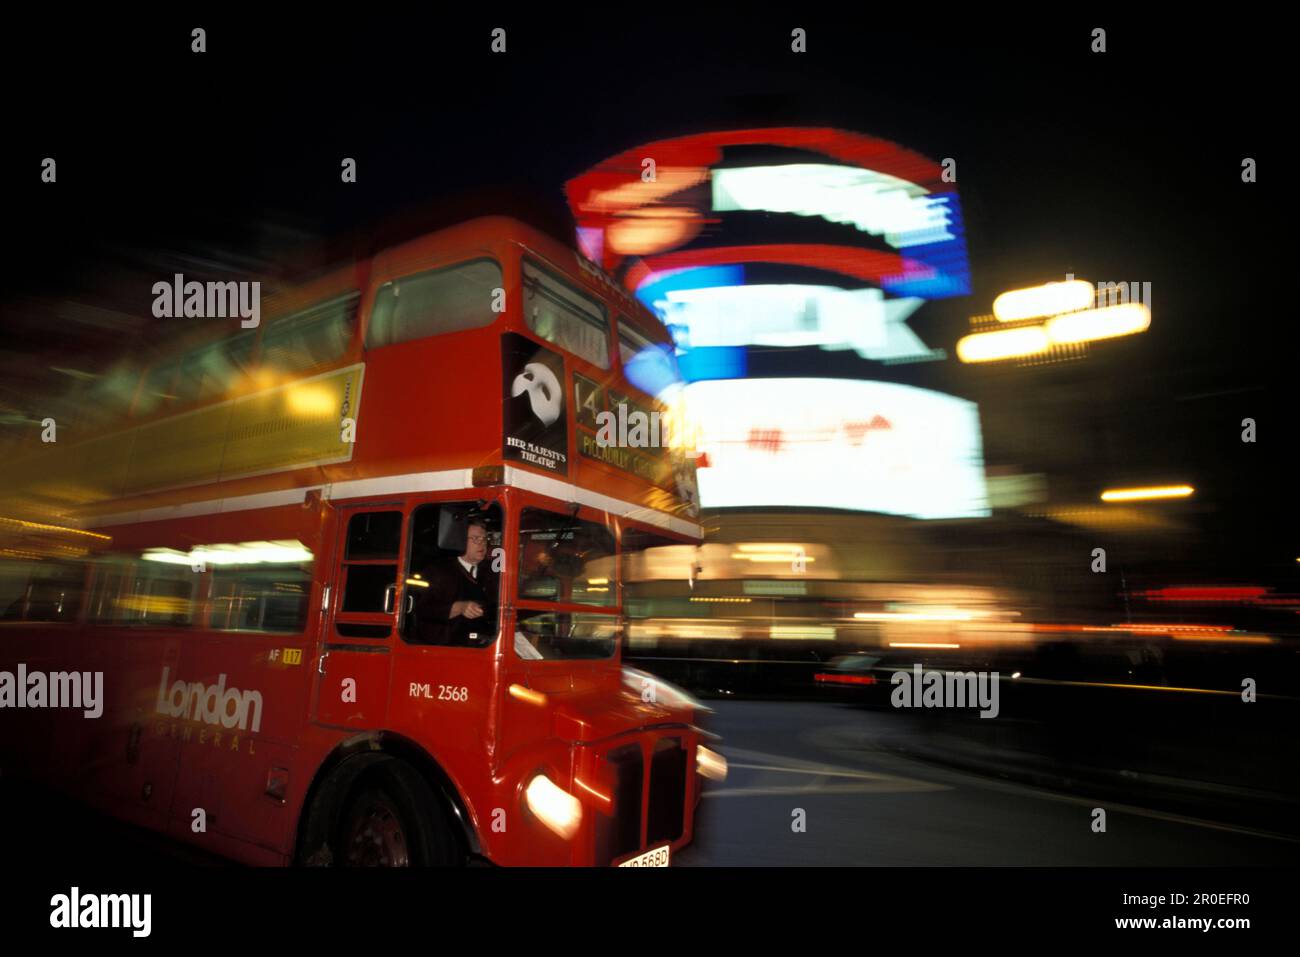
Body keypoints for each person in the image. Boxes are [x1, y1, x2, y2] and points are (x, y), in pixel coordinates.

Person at [410, 521, 499, 646]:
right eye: (475, 538)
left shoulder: (492, 572)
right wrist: (459, 607)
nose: (482, 543)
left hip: (482, 645)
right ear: (459, 542)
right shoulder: (437, 571)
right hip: (444, 646)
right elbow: (422, 609)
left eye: (484, 539)